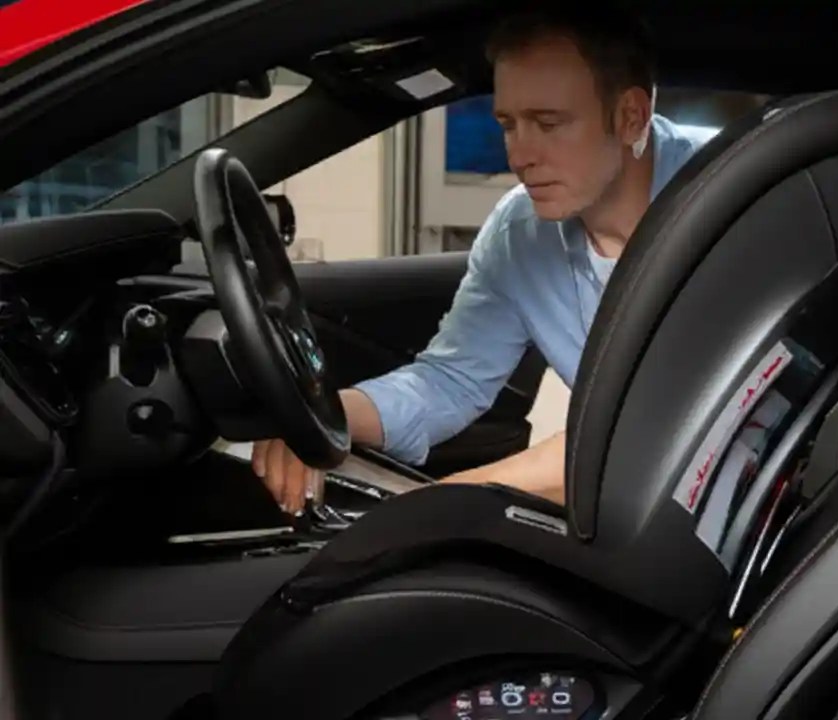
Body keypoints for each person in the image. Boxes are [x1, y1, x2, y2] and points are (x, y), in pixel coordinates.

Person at [252, 2, 716, 513]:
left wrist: (435, 503)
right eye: (509, 124)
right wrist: (323, 419)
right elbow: (450, 382)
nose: (519, 156)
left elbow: (651, 428)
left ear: (630, 117)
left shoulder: (735, 193)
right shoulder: (519, 232)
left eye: (548, 122)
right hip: (635, 509)